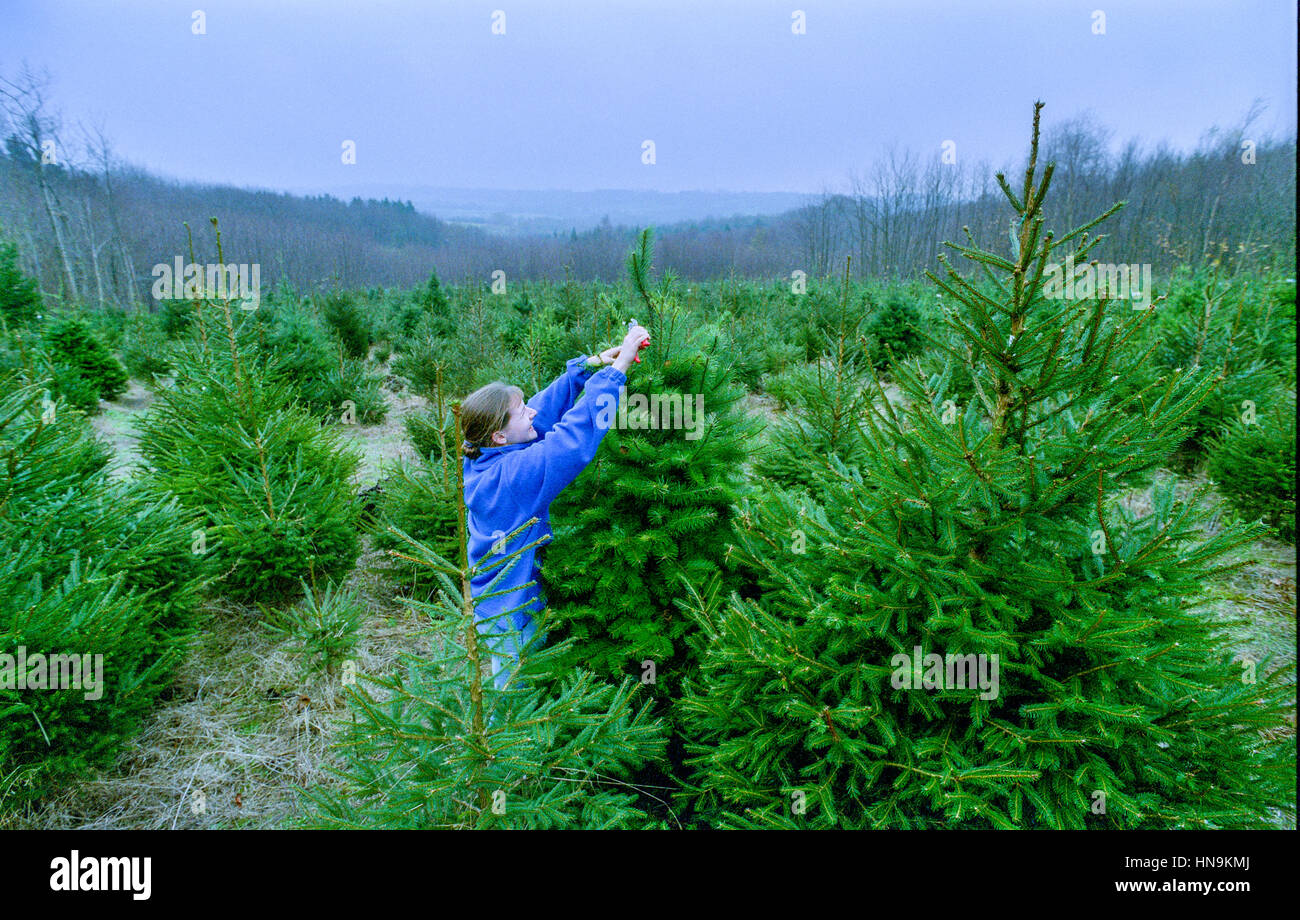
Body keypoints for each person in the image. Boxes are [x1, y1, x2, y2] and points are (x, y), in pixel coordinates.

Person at [458, 322, 650, 690]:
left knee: (525, 674)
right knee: (512, 691)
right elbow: (571, 442)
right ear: (499, 435)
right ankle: (502, 746)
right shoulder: (512, 477)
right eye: (521, 412)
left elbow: (540, 414)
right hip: (511, 609)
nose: (531, 413)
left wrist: (586, 367)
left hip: (500, 600)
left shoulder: (483, 454)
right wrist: (617, 372)